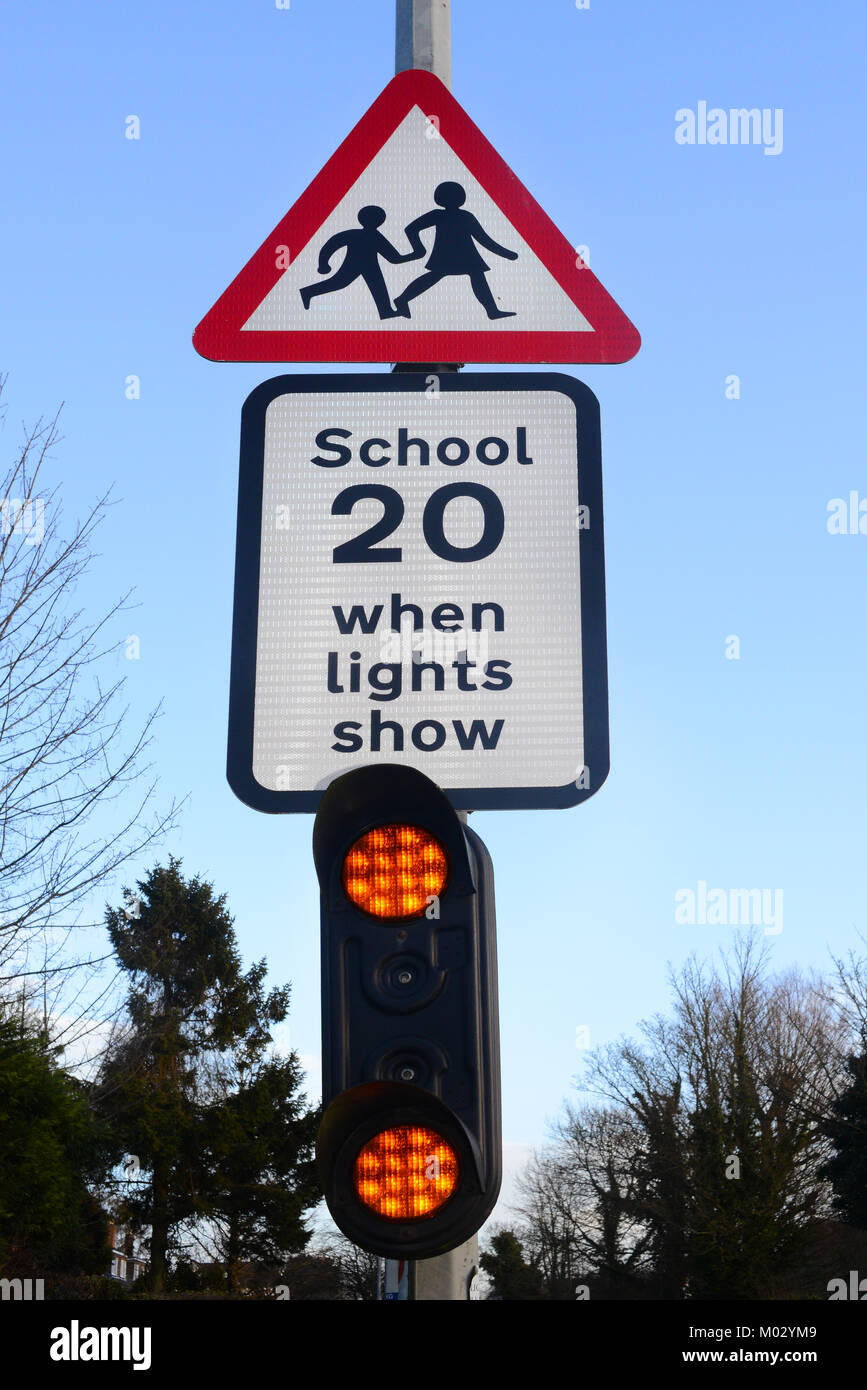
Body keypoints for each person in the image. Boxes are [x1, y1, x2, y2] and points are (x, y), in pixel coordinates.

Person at [392, 182, 519, 319]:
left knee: (473, 275)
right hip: (450, 254)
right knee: (441, 276)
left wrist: (506, 253)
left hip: (464, 254)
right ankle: (402, 299)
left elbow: (483, 239)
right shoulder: (442, 215)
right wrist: (419, 248)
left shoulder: (464, 216)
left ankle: (492, 311)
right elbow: (411, 229)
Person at [300, 206, 417, 319]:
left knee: (377, 287)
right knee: (340, 283)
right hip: (355, 265)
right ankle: (307, 292)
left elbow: (393, 258)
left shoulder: (369, 235)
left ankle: (386, 311)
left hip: (370, 266)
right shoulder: (363, 235)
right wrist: (323, 264)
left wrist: (414, 255)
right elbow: (332, 244)